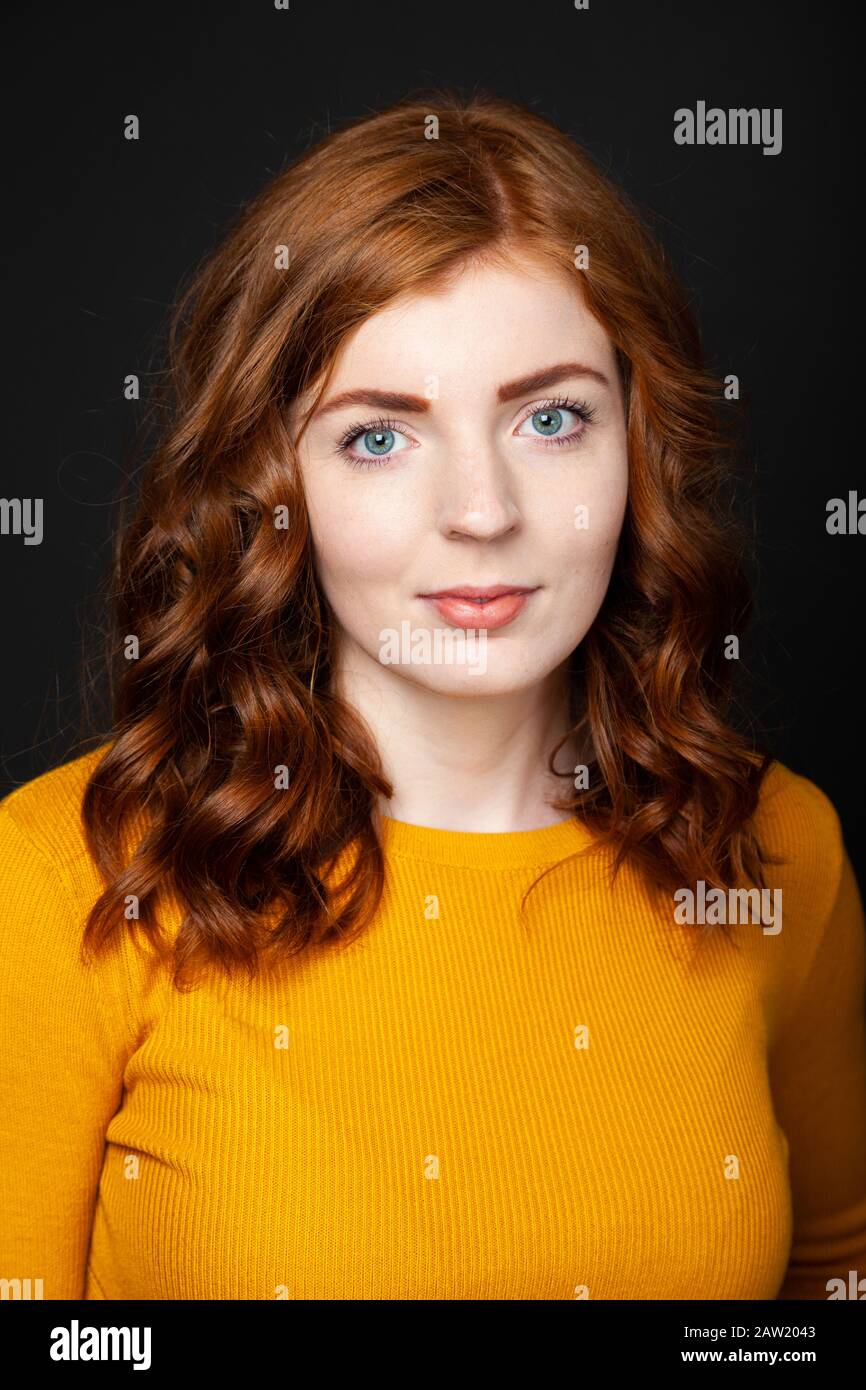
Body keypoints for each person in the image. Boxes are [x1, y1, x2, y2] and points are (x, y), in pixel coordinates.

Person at [1, 91, 864, 1302]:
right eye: (377, 436)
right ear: (270, 477)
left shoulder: (777, 853)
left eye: (551, 417)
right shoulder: (59, 878)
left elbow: (836, 1279)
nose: (482, 512)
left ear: (641, 444)